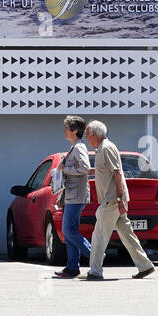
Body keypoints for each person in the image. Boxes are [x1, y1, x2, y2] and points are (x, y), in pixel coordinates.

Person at [85, 120, 155, 280]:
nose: (87, 138)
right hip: (114, 200)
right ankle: (145, 265)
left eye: (88, 134)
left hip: (112, 200)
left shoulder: (106, 148)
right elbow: (106, 170)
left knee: (99, 234)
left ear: (95, 134)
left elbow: (117, 173)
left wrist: (120, 198)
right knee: (127, 234)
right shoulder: (101, 149)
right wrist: (87, 171)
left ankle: (95, 270)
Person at [53, 115, 93, 279]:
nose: (64, 131)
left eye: (67, 128)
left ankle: (93, 253)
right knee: (71, 231)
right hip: (71, 195)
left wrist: (65, 169)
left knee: (67, 231)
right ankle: (72, 267)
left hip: (77, 196)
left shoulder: (79, 148)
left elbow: (84, 168)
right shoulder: (74, 147)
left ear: (75, 131)